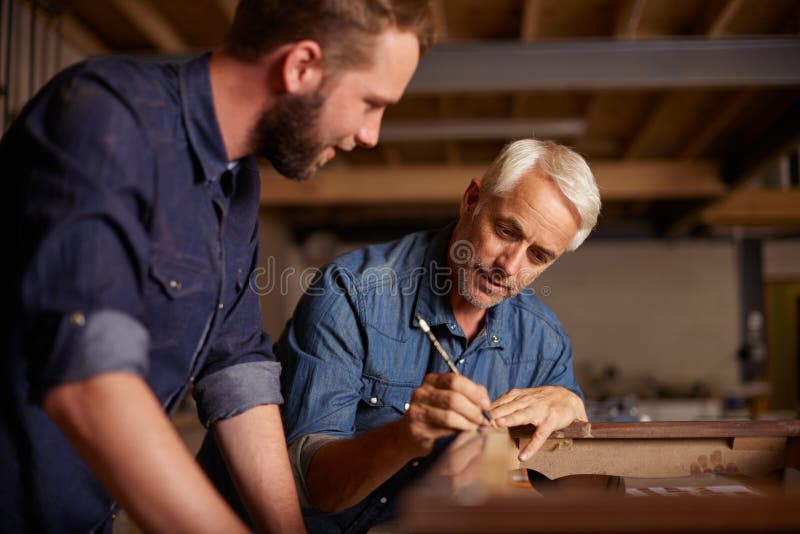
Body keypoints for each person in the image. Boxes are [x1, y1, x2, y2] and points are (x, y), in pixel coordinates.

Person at [0, 1, 434, 532]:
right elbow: (90, 381)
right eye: (371, 102)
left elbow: (236, 367)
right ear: (301, 66)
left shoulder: (237, 183)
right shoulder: (104, 117)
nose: (371, 135)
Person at [198, 138, 601, 531]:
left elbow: (569, 486)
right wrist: (407, 435)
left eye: (538, 256)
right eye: (507, 231)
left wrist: (572, 410)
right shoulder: (350, 292)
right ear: (472, 200)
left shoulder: (542, 339)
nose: (509, 267)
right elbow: (314, 486)